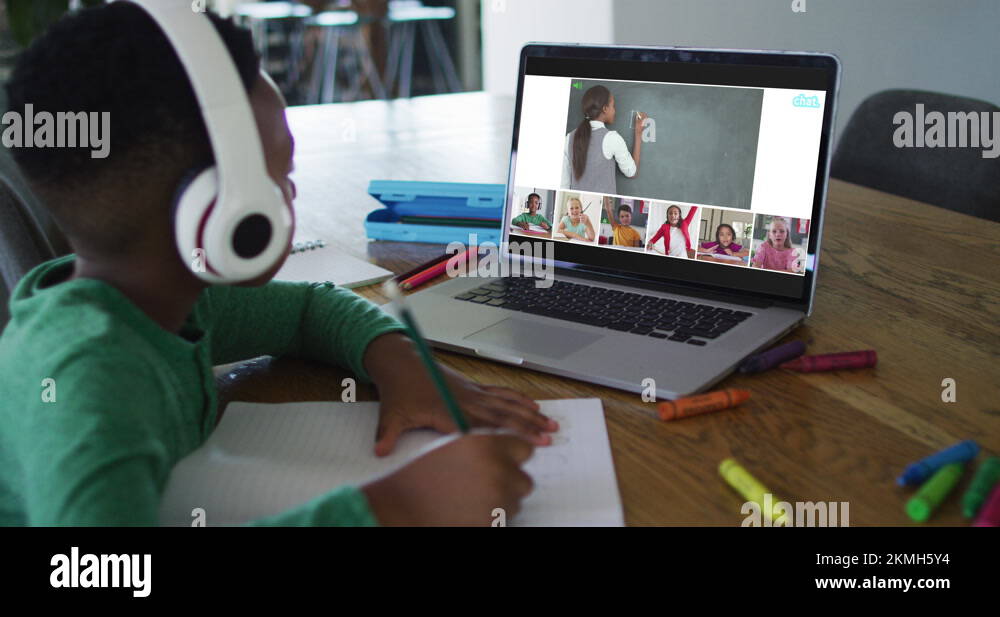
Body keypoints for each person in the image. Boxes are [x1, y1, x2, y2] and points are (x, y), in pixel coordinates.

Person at [0, 4, 556, 526]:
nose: (291, 189)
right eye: (281, 171)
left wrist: (400, 362)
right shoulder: (87, 382)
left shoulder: (167, 299)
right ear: (221, 207)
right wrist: (395, 506)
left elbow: (309, 308)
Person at [561, 85, 646, 194]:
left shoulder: (568, 138)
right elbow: (631, 172)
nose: (615, 110)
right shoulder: (612, 138)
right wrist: (638, 133)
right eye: (613, 106)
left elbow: (564, 184)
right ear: (605, 109)